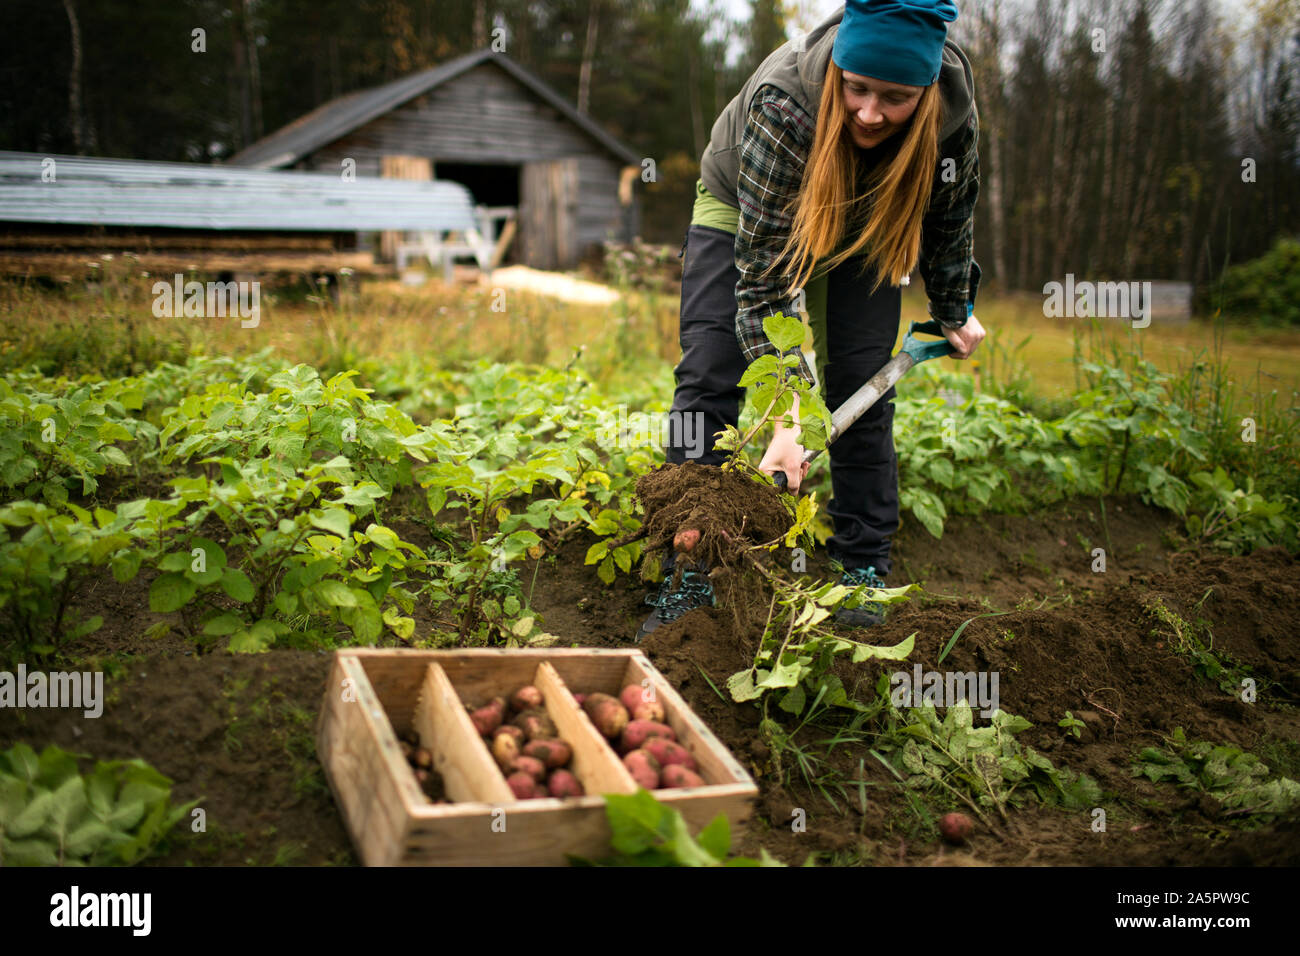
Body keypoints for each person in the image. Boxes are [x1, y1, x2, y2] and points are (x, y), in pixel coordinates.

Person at [637, 0, 987, 641]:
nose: (869, 113)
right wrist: (786, 416)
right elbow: (765, 284)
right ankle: (688, 562)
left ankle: (861, 566)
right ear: (838, 73)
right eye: (856, 89)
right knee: (712, 365)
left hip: (866, 224)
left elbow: (947, 222)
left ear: (927, 91)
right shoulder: (785, 102)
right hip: (743, 205)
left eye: (895, 98)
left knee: (861, 377)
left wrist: (953, 308)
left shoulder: (953, 119)